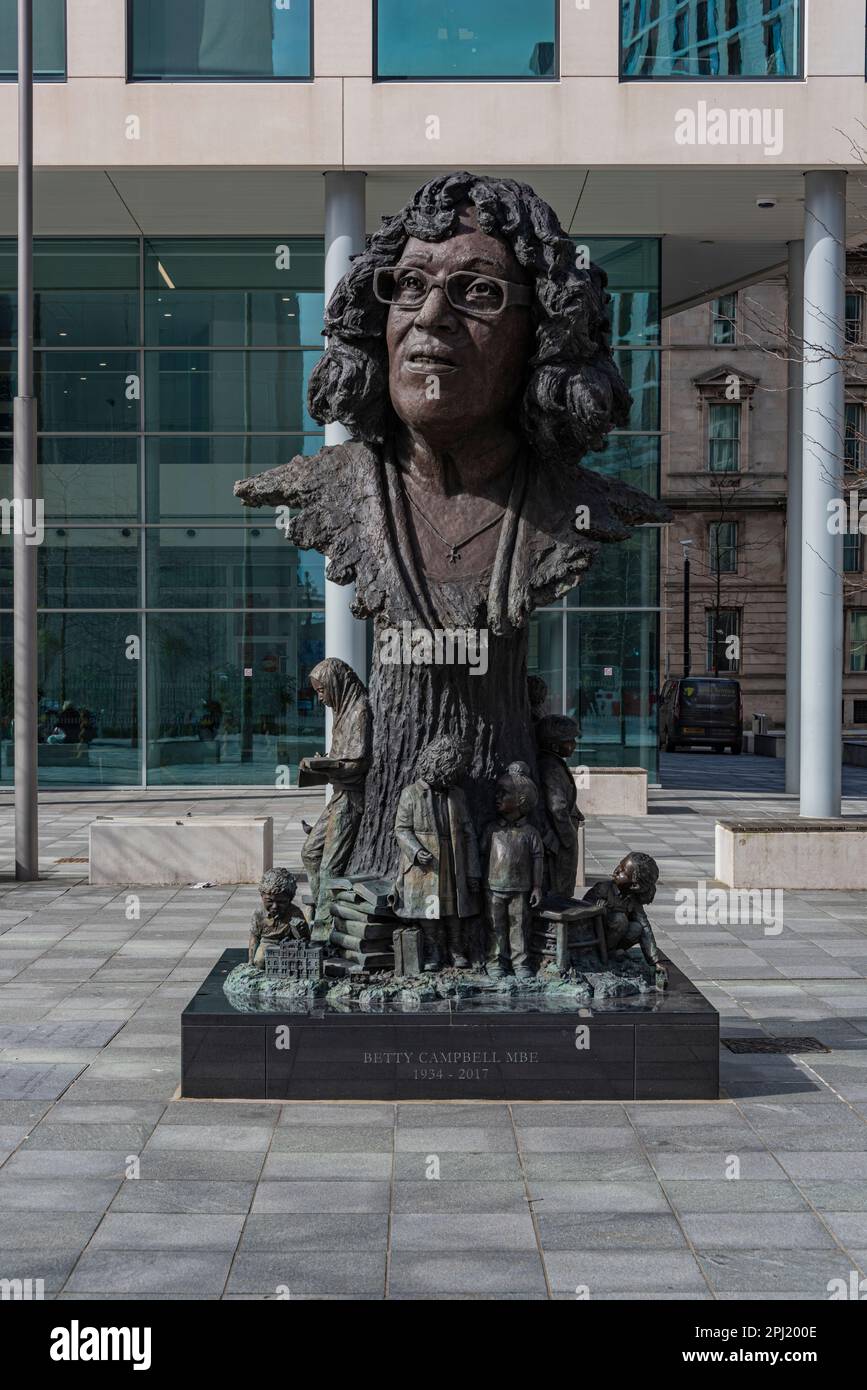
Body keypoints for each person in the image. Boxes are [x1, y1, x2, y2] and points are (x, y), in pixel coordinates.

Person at [236, 172, 669, 875]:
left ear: (543, 333)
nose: (430, 315)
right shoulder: (324, 491)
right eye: (408, 285)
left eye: (477, 293)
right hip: (382, 848)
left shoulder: (581, 507)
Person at [394, 734, 481, 971]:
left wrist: (473, 871)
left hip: (453, 858)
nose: (460, 773)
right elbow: (401, 829)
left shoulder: (457, 795)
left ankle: (455, 947)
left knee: (453, 905)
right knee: (428, 906)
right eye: (457, 768)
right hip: (427, 864)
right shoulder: (411, 793)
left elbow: (469, 834)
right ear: (444, 766)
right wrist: (416, 850)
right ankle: (432, 949)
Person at [299, 658, 370, 938]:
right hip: (339, 795)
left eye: (321, 690)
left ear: (335, 684)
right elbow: (343, 756)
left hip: (352, 799)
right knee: (310, 853)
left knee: (330, 865)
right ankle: (318, 909)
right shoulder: (342, 711)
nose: (320, 698)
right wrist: (324, 761)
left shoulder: (359, 710)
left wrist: (328, 766)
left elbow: (357, 763)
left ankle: (325, 929)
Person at [481, 766, 544, 979]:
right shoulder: (491, 830)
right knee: (495, 926)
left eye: (504, 793)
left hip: (520, 889)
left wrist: (537, 886)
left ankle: (521, 962)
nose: (497, 797)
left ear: (521, 800)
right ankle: (496, 960)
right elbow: (480, 855)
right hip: (493, 888)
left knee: (519, 928)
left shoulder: (530, 833)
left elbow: (537, 859)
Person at [583, 852, 666, 980]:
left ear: (634, 885)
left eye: (622, 871)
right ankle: (601, 954)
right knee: (620, 919)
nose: (617, 871)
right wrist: (598, 910)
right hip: (592, 938)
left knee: (637, 928)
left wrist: (654, 962)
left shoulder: (633, 900)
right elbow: (582, 913)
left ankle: (612, 954)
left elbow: (645, 927)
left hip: (612, 942)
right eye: (619, 865)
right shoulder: (603, 889)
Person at [536, 714, 584, 896]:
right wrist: (568, 838)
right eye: (569, 740)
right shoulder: (550, 767)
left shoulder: (555, 764)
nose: (573, 744)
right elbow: (557, 807)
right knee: (560, 885)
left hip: (561, 833)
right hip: (558, 837)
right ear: (554, 744)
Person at [248, 868, 308, 969]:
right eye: (269, 901)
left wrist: (300, 930)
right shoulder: (259, 914)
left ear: (290, 899)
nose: (275, 906)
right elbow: (254, 937)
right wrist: (250, 960)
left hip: (289, 946)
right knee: (259, 961)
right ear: (262, 896)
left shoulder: (295, 913)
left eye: (281, 902)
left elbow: (305, 938)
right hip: (267, 943)